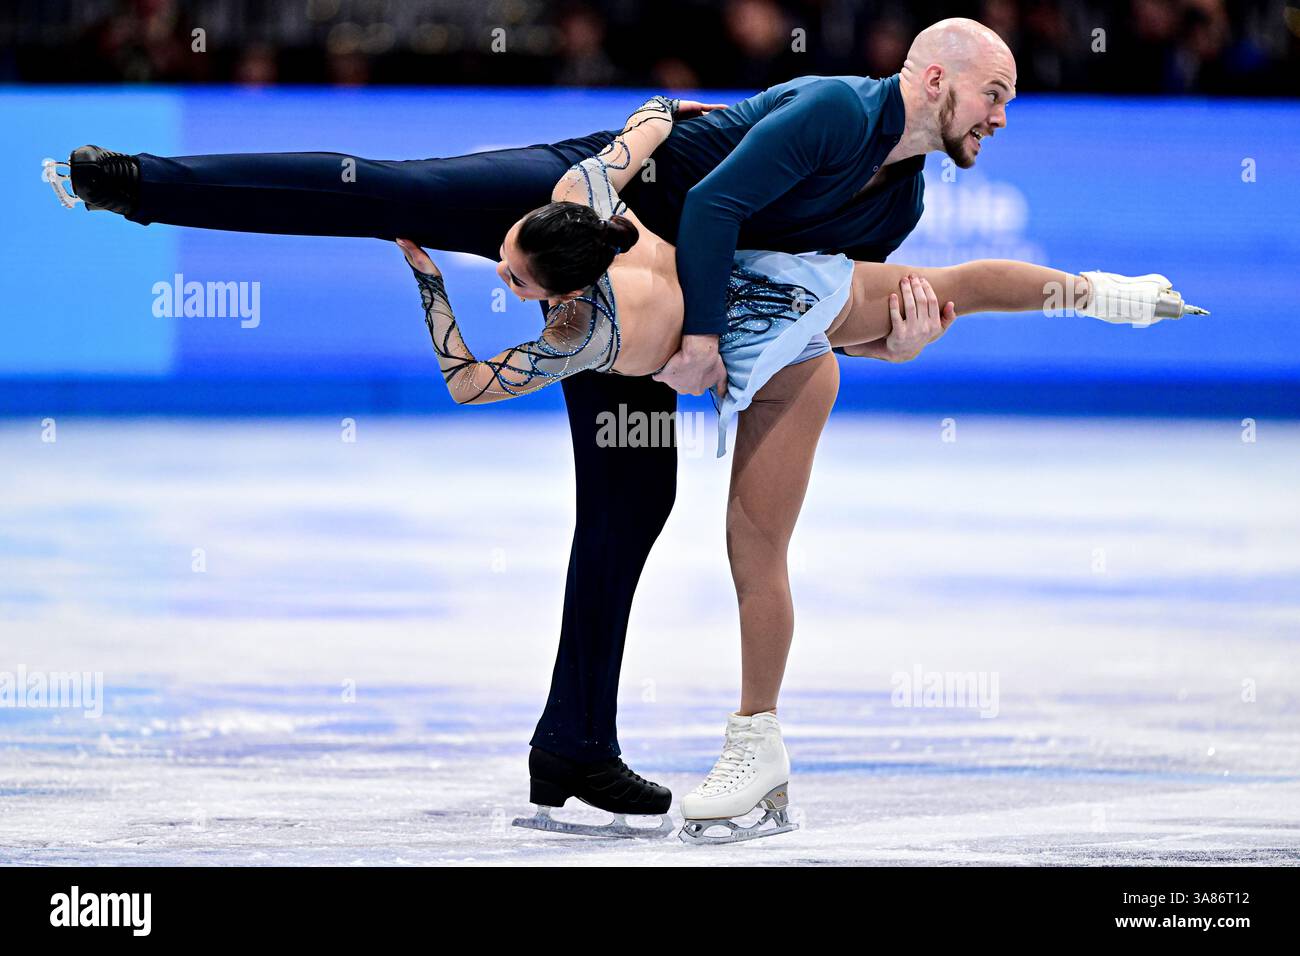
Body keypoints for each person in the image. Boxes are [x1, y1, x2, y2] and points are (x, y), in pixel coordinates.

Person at [43, 17, 1204, 840]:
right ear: (940, 78)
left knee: (632, 503)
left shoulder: (895, 198)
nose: (1007, 114)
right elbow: (714, 204)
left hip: (642, 315)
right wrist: (699, 339)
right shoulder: (833, 108)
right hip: (594, 206)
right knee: (389, 188)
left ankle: (572, 745)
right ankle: (141, 181)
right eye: (997, 92)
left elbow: (815, 309)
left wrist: (891, 339)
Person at [391, 95, 1205, 842]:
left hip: (777, 364)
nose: (501, 271)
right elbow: (650, 120)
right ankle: (1103, 293)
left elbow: (466, 381)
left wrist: (431, 283)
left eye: (512, 273)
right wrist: (684, 107)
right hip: (793, 298)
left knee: (756, 553)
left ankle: (759, 748)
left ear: (566, 290)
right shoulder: (590, 197)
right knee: (943, 296)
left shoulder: (581, 339)